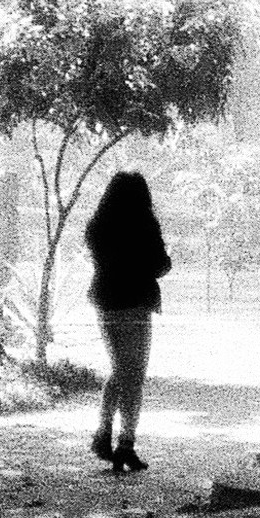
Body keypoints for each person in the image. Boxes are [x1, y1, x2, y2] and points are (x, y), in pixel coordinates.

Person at [83, 169, 171, 472]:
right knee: (133, 375)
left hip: (107, 302)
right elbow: (160, 265)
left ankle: (103, 433)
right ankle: (126, 444)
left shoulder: (97, 226)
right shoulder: (145, 225)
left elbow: (100, 260)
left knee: (120, 369)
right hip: (136, 304)